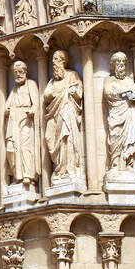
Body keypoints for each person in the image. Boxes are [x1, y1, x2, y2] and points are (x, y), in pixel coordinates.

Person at [43, 49, 85, 181]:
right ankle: (59, 167)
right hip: (54, 114)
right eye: (53, 60)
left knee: (67, 138)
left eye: (57, 60)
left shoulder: (72, 75)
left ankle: (68, 169)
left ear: (63, 61)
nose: (54, 63)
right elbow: (46, 95)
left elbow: (79, 91)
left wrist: (71, 90)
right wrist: (53, 94)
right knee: (49, 137)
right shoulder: (52, 81)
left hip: (67, 111)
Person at [3, 60, 40, 190]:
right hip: (13, 120)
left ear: (25, 72)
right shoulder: (14, 89)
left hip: (25, 120)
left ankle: (27, 176)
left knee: (25, 148)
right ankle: (16, 176)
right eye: (15, 73)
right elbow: (6, 107)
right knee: (11, 148)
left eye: (20, 72)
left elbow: (36, 103)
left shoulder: (31, 84)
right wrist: (7, 111)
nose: (18, 75)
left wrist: (32, 111)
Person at [104, 51, 135, 177]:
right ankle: (114, 163)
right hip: (116, 112)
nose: (121, 66)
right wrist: (123, 92)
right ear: (113, 65)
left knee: (129, 137)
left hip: (128, 112)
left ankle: (128, 163)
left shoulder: (129, 80)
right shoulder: (109, 80)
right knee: (115, 135)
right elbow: (108, 93)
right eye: (118, 63)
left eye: (123, 63)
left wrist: (133, 95)